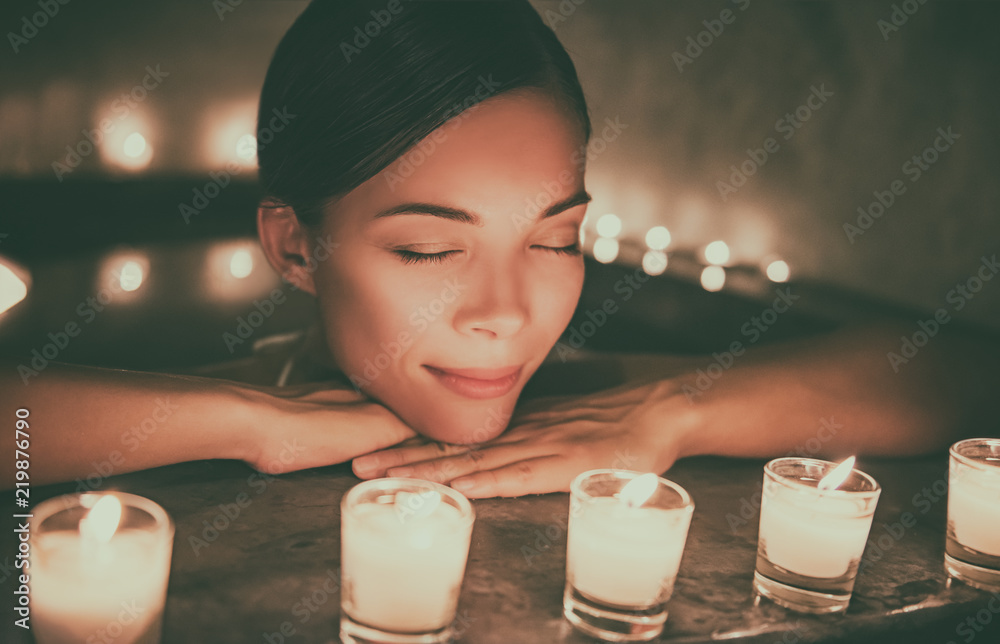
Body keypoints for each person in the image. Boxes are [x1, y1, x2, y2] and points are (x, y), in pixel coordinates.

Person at [2, 0, 997, 496]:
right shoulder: (227, 404)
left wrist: (673, 412)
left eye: (555, 239)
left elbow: (958, 372)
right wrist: (252, 418)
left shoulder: (585, 396)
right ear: (296, 248)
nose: (507, 313)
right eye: (430, 250)